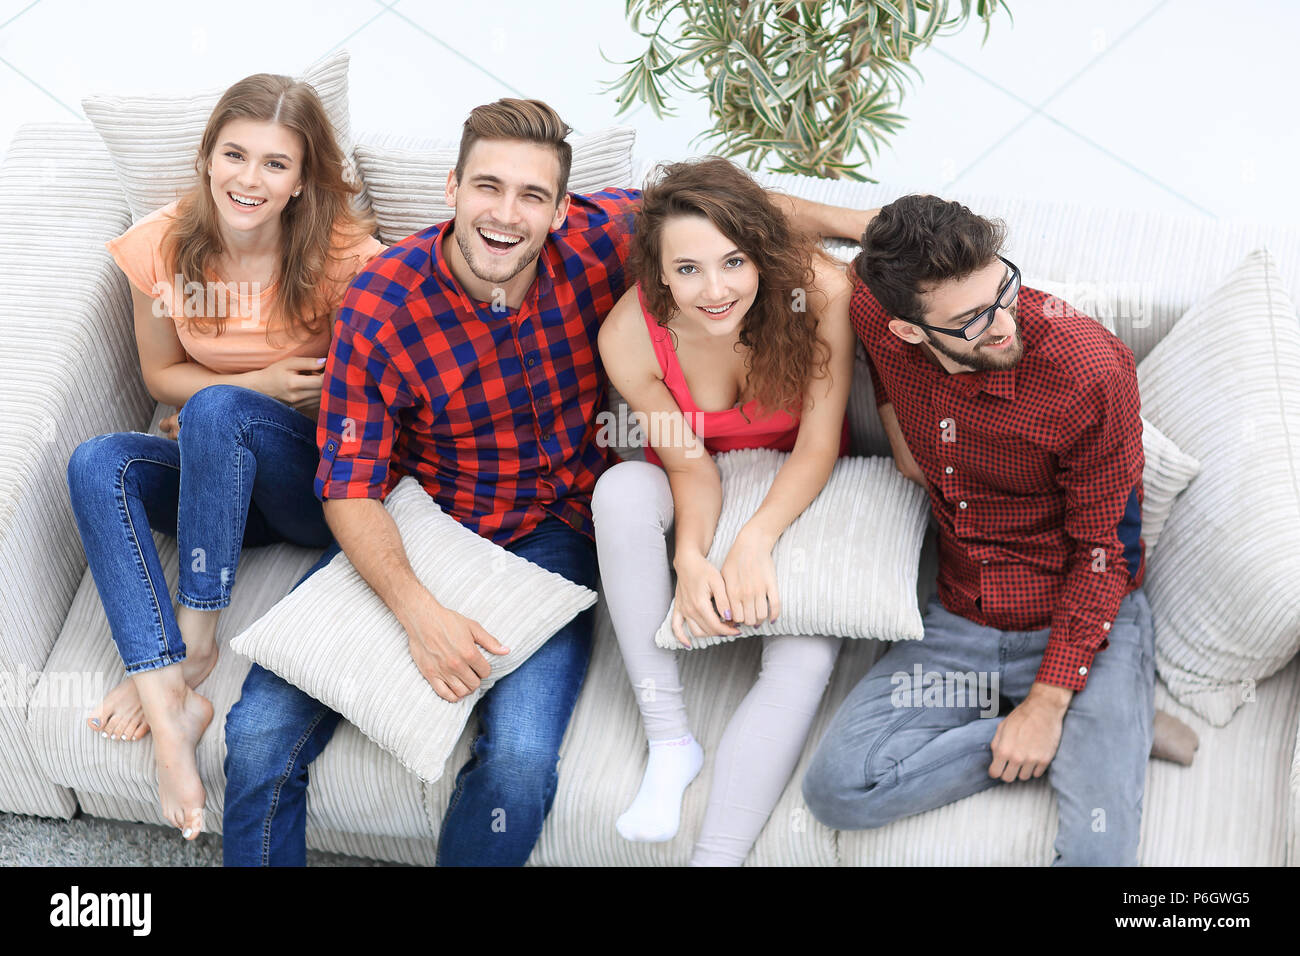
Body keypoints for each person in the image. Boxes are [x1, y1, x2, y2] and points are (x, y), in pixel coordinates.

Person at [220, 98, 871, 866]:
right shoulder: (382, 303)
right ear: (452, 188)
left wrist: (870, 227)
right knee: (260, 735)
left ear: (562, 210)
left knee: (520, 766)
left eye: (532, 196)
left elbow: (737, 215)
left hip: (556, 534)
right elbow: (350, 486)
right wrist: (417, 612)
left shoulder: (606, 240)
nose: (506, 214)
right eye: (487, 188)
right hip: (425, 520)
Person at [65, 73, 384, 841]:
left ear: (303, 179)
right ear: (207, 157)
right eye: (235, 155)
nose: (250, 178)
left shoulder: (343, 250)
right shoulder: (162, 246)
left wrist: (251, 404)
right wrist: (254, 384)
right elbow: (159, 376)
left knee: (214, 408)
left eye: (276, 164)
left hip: (302, 488)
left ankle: (197, 643)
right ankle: (172, 701)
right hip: (214, 483)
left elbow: (378, 383)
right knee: (95, 461)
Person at [801, 194, 1155, 865]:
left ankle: (1080, 718)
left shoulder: (1089, 369)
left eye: (1004, 290)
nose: (1003, 325)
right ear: (908, 330)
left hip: (1081, 617)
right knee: (838, 790)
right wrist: (877, 241)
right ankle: (1093, 732)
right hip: (962, 616)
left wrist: (1049, 702)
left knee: (1097, 855)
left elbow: (1105, 550)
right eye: (970, 319)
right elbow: (755, 213)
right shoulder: (878, 312)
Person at [591, 158, 855, 865]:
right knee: (618, 492)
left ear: (760, 250)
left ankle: (718, 856)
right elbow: (686, 463)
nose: (715, 290)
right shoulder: (629, 336)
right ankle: (670, 739)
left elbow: (819, 446)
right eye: (688, 270)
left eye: (734, 261)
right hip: (701, 482)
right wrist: (691, 557)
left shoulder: (820, 291)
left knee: (804, 646)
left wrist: (756, 541)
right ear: (658, 273)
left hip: (798, 487)